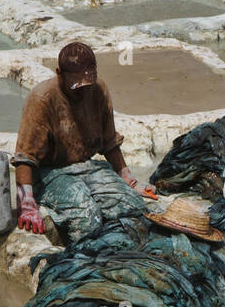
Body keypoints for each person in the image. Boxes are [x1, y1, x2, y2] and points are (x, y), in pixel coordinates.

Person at [12, 41, 154, 235]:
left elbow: (109, 142)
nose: (83, 91)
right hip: (51, 174)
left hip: (88, 167)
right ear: (59, 74)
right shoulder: (42, 99)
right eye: (76, 87)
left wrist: (130, 181)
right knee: (87, 219)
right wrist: (26, 203)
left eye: (87, 86)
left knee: (132, 209)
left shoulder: (98, 89)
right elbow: (25, 158)